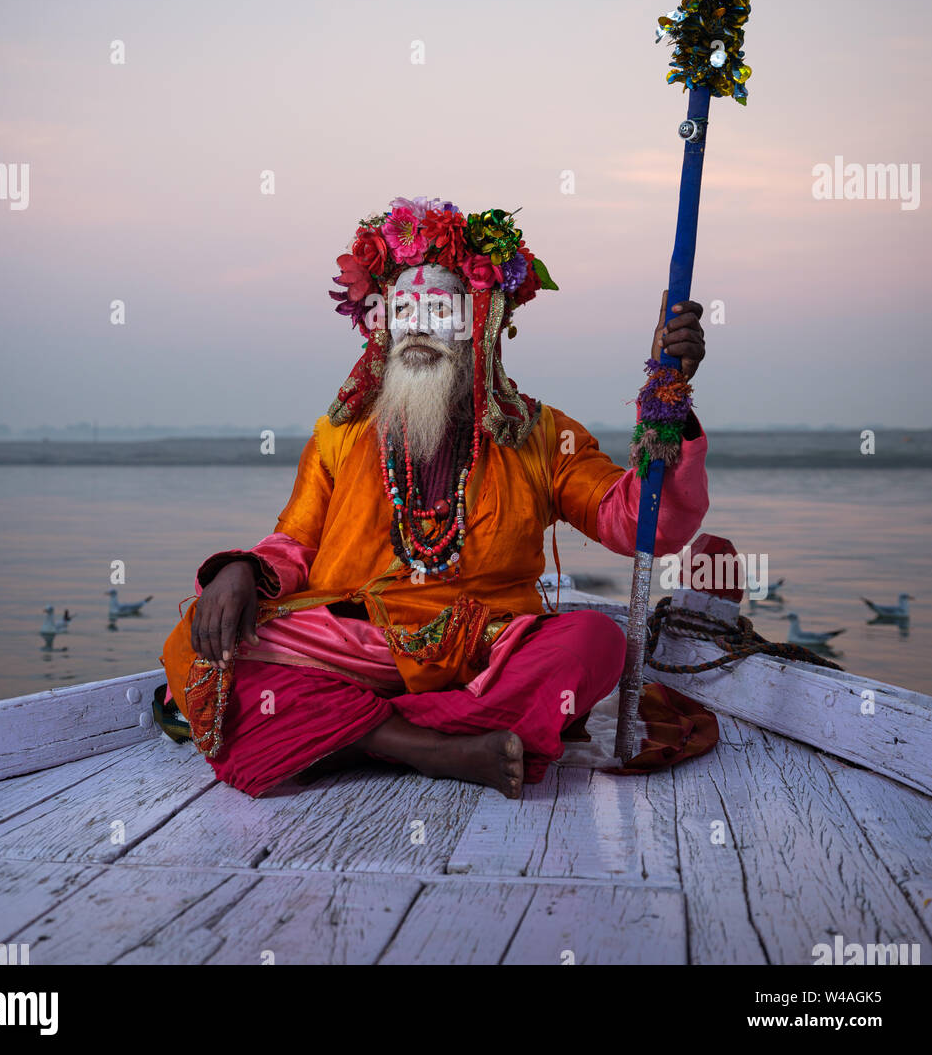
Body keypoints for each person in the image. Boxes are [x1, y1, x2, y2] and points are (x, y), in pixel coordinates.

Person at [162, 196, 708, 799]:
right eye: (406, 309)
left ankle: (344, 734)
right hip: (354, 643)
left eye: (440, 310)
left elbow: (639, 523)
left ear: (481, 323)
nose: (419, 325)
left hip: (484, 650)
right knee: (197, 643)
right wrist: (241, 571)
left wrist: (667, 401)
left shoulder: (539, 434)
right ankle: (429, 747)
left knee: (594, 642)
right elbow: (294, 544)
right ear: (385, 323)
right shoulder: (340, 434)